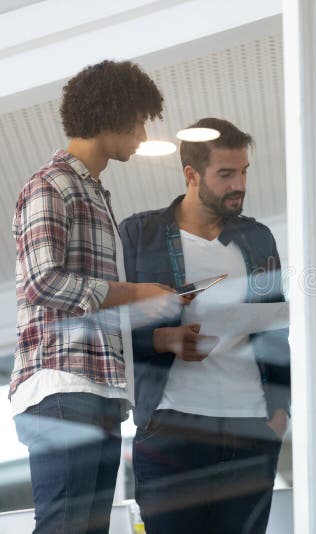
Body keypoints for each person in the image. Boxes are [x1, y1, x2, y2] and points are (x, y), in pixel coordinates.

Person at [11, 60, 180, 534]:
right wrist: (135, 293)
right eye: (142, 120)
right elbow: (43, 282)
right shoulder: (50, 185)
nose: (144, 134)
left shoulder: (92, 192)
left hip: (96, 387)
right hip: (62, 387)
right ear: (115, 114)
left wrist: (142, 303)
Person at [119, 117, 291, 534]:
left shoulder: (258, 240)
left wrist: (281, 413)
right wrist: (163, 338)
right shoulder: (138, 236)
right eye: (226, 174)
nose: (240, 184)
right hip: (172, 427)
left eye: (244, 171)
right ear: (192, 175)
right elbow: (111, 327)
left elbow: (275, 332)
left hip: (251, 427)